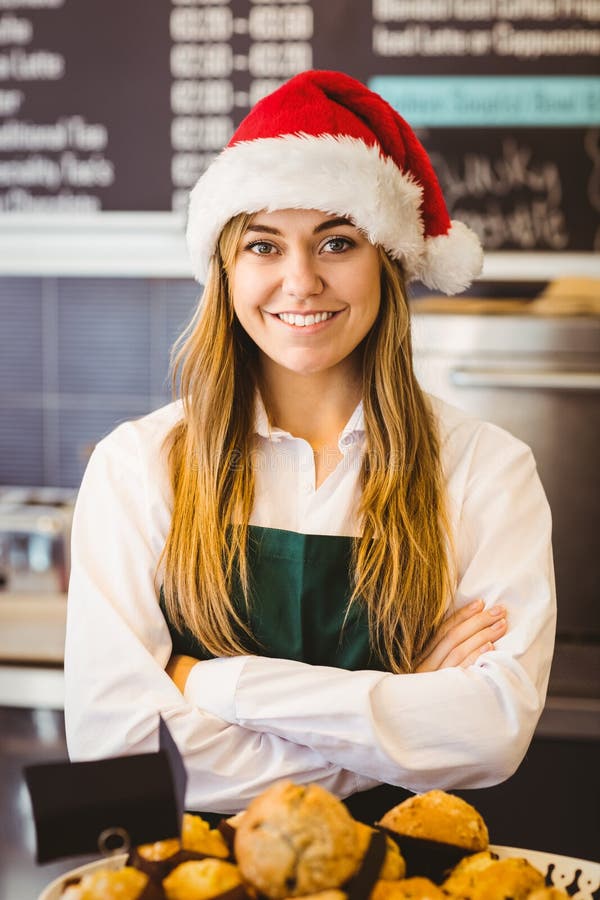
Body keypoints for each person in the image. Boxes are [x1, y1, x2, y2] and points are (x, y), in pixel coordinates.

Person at [64, 71, 556, 820]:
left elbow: (488, 738)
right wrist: (400, 712)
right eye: (264, 245)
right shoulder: (137, 466)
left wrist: (210, 685)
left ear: (386, 263)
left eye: (336, 241)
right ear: (226, 270)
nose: (301, 281)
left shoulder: (485, 467)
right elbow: (121, 757)